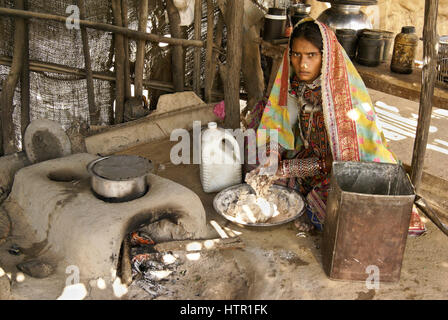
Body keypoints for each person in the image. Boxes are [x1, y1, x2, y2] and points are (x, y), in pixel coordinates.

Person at [244, 18, 426, 236]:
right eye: (296, 54)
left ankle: (311, 210)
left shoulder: (345, 97)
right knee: (260, 165)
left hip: (353, 168)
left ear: (326, 56)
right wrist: (273, 160)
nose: (303, 64)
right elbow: (279, 125)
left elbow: (344, 161)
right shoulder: (296, 86)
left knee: (332, 206)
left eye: (312, 55)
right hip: (314, 159)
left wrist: (286, 168)